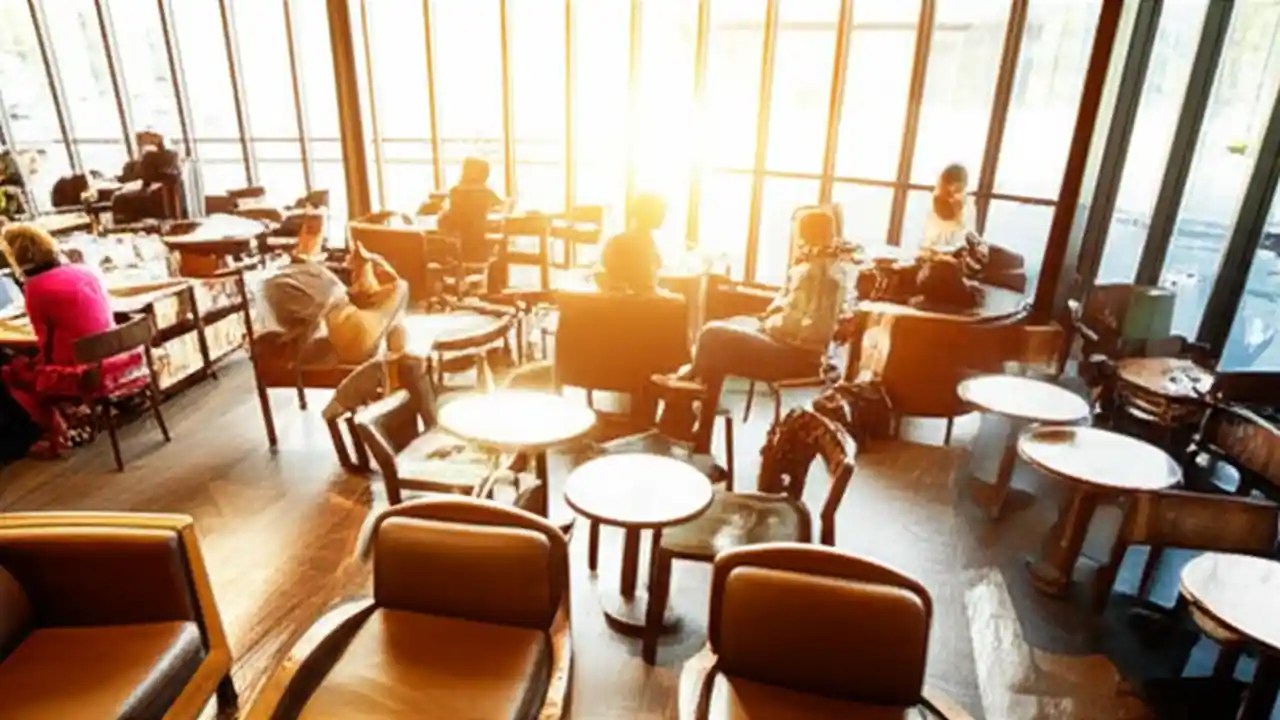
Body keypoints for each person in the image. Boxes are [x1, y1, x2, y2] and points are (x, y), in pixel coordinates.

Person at [657, 209, 849, 442]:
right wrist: (765, 320)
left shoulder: (822, 275)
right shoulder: (816, 267)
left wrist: (768, 325)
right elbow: (790, 313)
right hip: (789, 347)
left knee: (712, 334)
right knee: (717, 350)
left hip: (797, 357)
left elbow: (811, 331)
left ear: (806, 236)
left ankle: (683, 397)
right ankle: (696, 428)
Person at [0, 223, 143, 455]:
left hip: (86, 372)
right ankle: (73, 419)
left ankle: (56, 432)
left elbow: (43, 341)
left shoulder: (35, 287)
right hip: (119, 357)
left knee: (15, 373)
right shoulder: (84, 271)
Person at [261, 215, 408, 366]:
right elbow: (338, 299)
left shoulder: (279, 275)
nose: (322, 242)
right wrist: (365, 267)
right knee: (400, 288)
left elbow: (325, 300)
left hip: (325, 336)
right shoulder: (305, 270)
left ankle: (398, 363)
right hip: (352, 337)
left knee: (392, 309)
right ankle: (398, 364)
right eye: (319, 235)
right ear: (305, 234)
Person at [598, 193, 665, 293]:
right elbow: (645, 283)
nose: (663, 217)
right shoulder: (643, 243)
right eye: (661, 212)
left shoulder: (616, 240)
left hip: (619, 300)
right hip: (638, 302)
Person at [922, 163, 978, 252]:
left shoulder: (968, 205)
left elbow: (968, 236)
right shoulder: (934, 204)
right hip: (934, 252)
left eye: (958, 189)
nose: (952, 193)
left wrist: (959, 216)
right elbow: (928, 239)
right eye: (948, 187)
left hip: (958, 253)